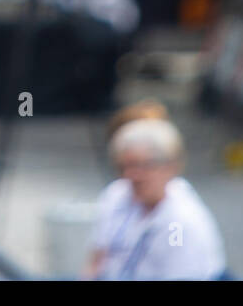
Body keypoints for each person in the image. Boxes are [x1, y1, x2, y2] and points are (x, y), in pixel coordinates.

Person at [84, 118, 228, 280]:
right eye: (125, 166)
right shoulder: (116, 195)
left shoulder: (179, 223)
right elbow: (96, 259)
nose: (134, 175)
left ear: (170, 166)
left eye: (145, 166)